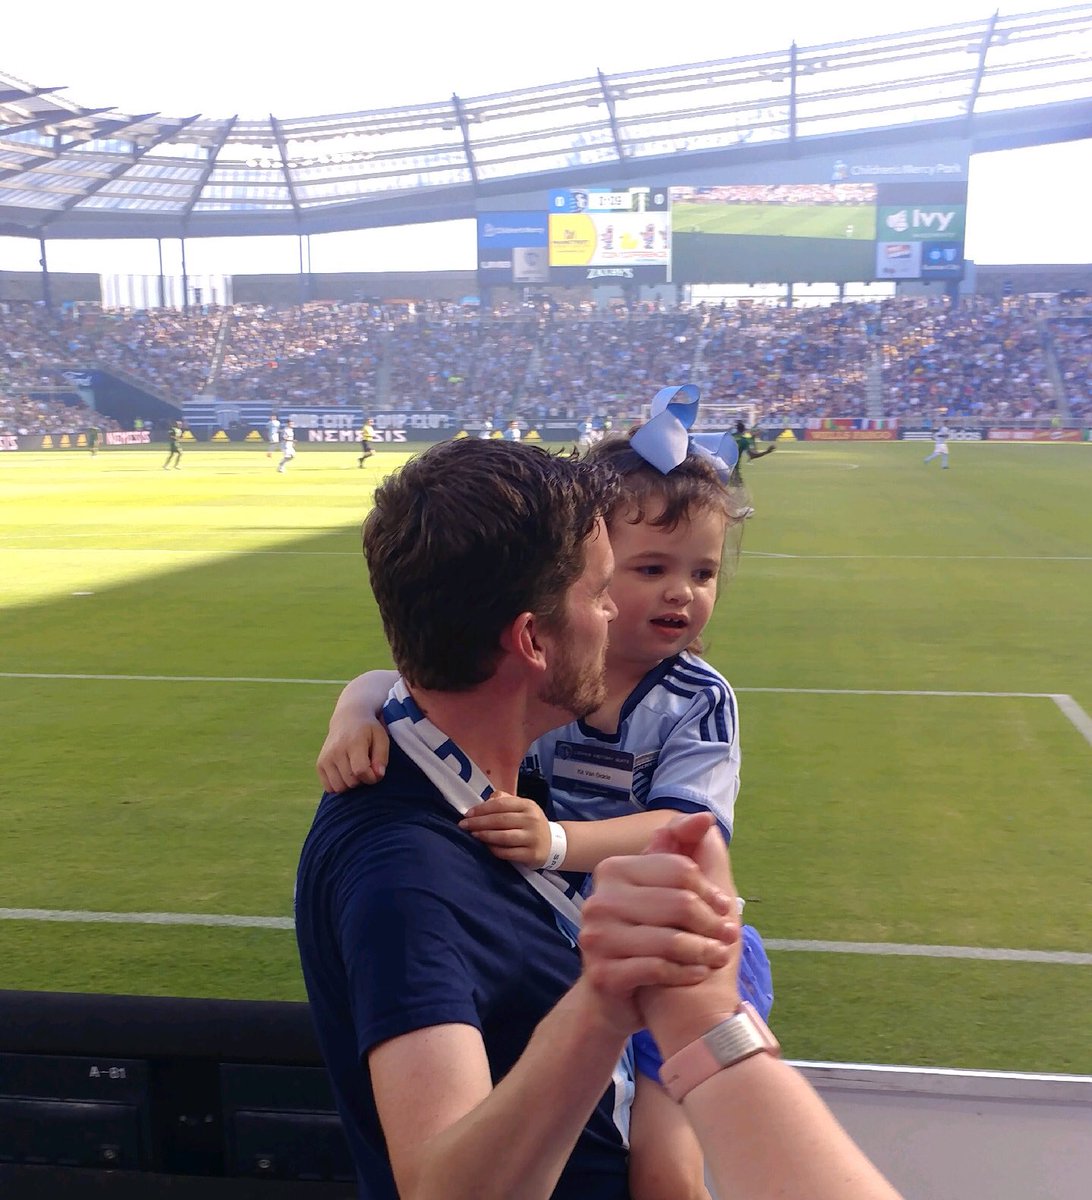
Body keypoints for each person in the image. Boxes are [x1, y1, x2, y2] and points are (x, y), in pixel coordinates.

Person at [318, 386, 772, 1197]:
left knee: (671, 1168)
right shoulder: (407, 875)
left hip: (660, 956)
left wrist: (358, 701)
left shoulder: (492, 768)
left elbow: (398, 681)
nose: (617, 611)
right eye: (603, 590)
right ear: (532, 640)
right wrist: (603, 1005)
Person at [587, 811, 905, 1200]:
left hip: (669, 951)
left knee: (669, 1176)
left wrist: (700, 1022)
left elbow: (670, 1184)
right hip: (649, 954)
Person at [729, 419, 774, 518]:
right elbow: (752, 455)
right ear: (744, 430)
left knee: (727, 489)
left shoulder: (729, 438)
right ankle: (732, 512)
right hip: (733, 469)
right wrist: (767, 452)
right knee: (739, 491)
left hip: (721, 467)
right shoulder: (744, 440)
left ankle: (729, 510)